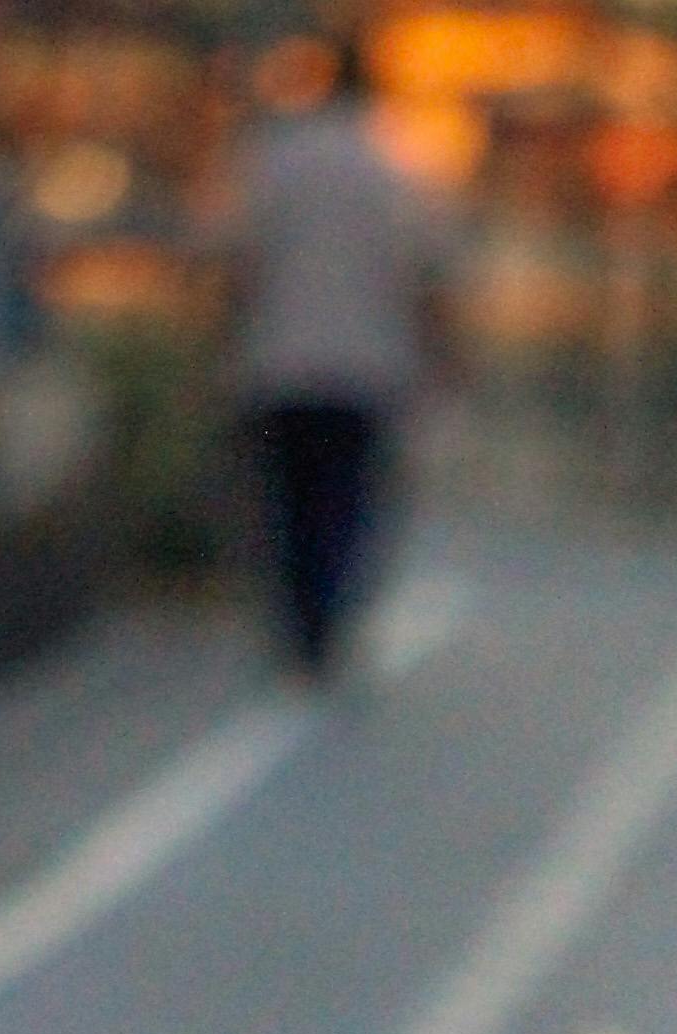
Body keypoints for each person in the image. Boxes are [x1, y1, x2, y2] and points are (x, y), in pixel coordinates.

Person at [230, 36, 457, 676]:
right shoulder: (396, 171)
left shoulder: (275, 162)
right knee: (347, 498)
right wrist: (442, 358)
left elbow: (240, 267)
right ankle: (329, 619)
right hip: (366, 367)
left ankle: (300, 623)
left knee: (287, 500)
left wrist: (225, 348)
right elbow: (428, 278)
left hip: (279, 360)